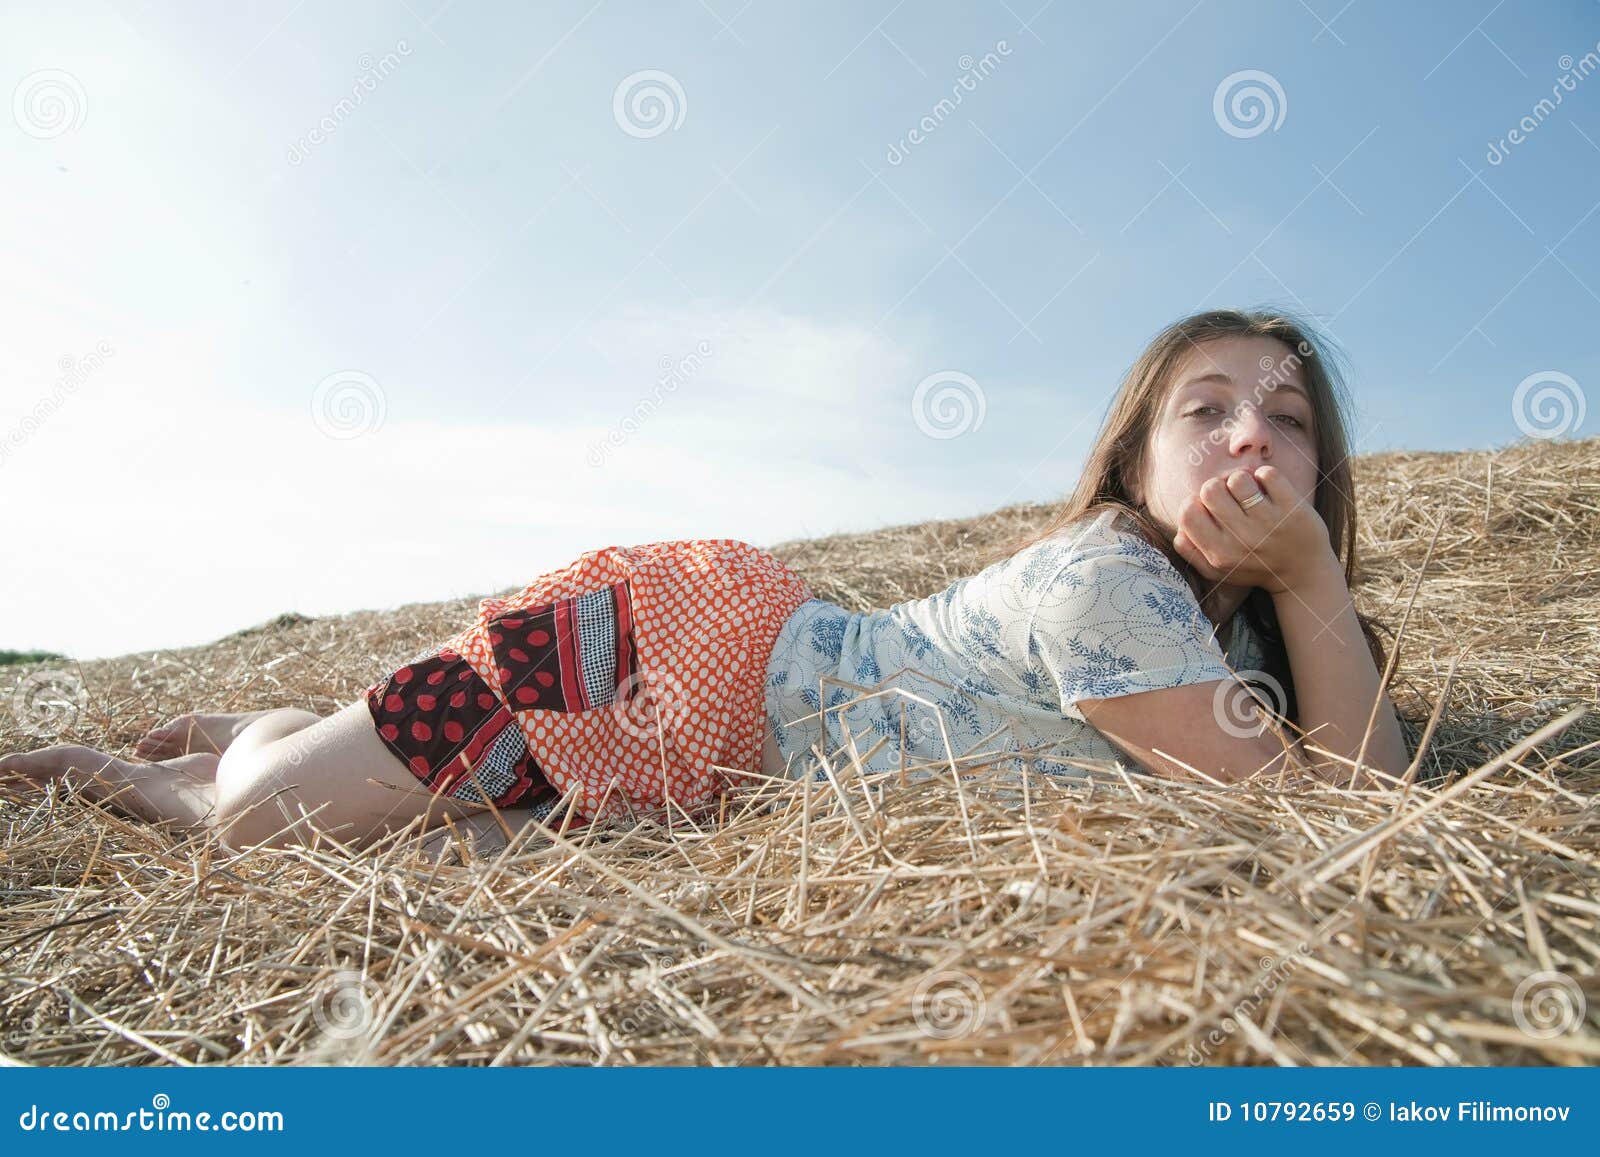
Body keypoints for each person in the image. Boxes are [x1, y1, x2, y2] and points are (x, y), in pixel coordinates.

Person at [0, 307, 1408, 855]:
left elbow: (1383, 801)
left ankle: (296, 728)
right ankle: (186, 755)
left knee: (424, 843)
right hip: (682, 656)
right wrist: (1316, 589)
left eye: (1287, 421)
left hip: (723, 780)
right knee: (253, 821)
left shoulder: (1254, 633)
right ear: (1135, 464)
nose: (1249, 440)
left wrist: (1309, 592)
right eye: (1207, 410)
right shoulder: (1106, 576)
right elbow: (1334, 817)